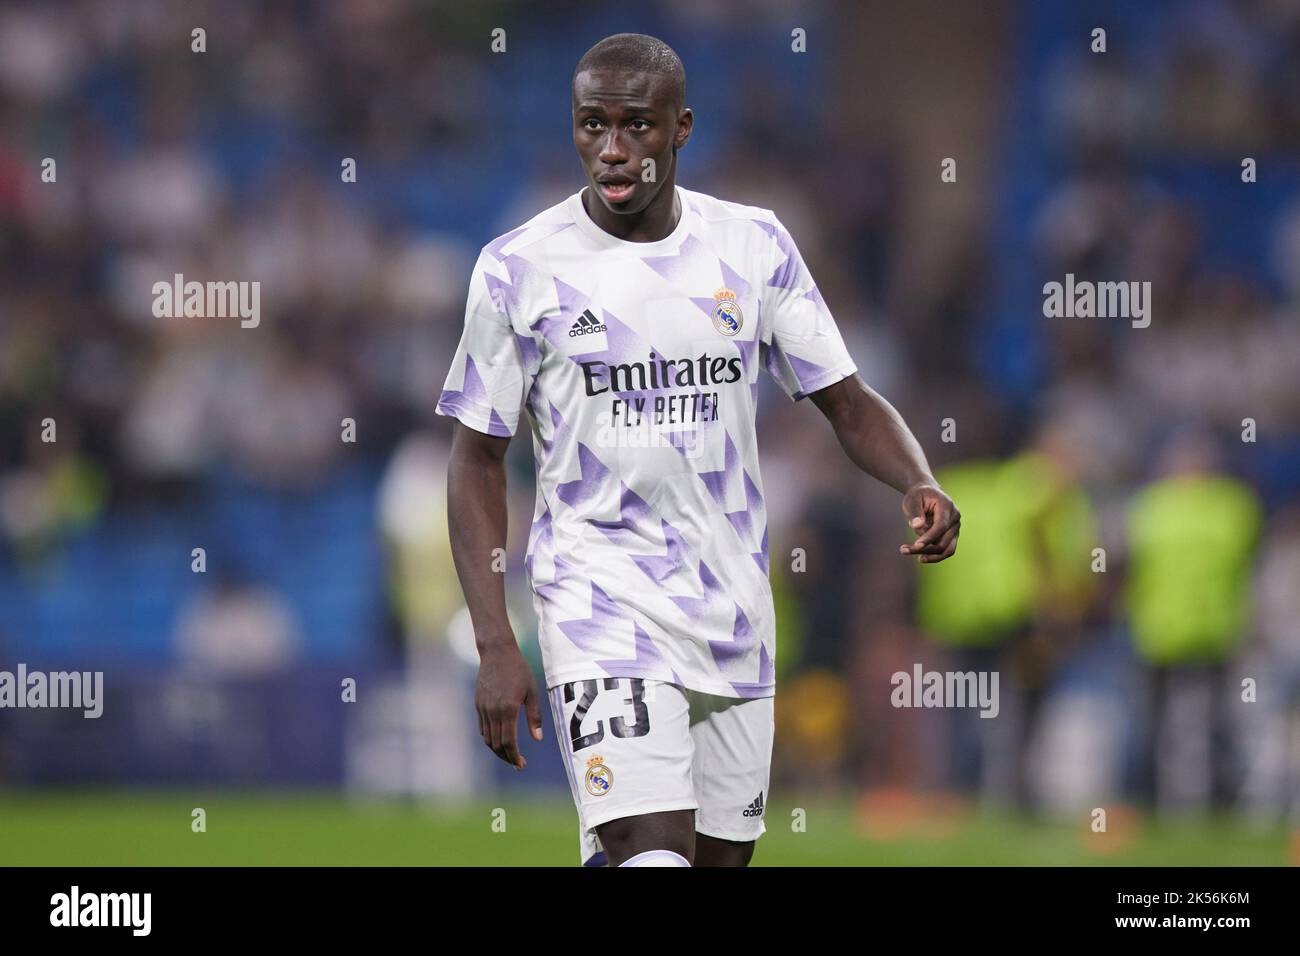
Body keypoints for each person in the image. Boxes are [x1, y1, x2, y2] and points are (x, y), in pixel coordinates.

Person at [439, 33, 959, 867]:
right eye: (591, 125)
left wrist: (917, 480)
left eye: (637, 126)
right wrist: (497, 639)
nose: (612, 149)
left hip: (732, 611)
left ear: (682, 128)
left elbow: (847, 400)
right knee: (653, 856)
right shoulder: (517, 270)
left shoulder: (751, 247)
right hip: (597, 600)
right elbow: (475, 457)